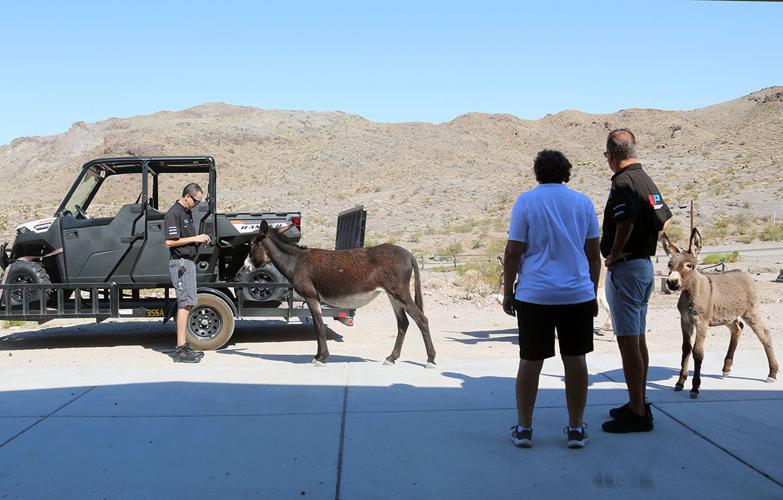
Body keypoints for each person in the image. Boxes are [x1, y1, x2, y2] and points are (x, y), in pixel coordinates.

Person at [502, 150, 601, 449]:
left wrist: (509, 291)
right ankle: (575, 429)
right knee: (575, 361)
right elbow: (593, 254)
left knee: (530, 361)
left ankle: (524, 429)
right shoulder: (583, 203)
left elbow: (513, 251)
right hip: (576, 295)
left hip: (535, 296)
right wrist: (592, 291)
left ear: (538, 173)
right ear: (566, 172)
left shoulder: (526, 202)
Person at [600, 129, 672, 433]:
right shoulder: (645, 180)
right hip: (644, 266)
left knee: (627, 342)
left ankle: (639, 413)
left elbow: (625, 219)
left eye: (606, 156)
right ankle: (636, 402)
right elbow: (664, 218)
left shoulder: (622, 182)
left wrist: (615, 255)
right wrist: (645, 237)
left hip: (628, 268)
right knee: (638, 338)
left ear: (612, 156)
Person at [164, 183, 211, 363]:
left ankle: (184, 346)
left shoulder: (187, 213)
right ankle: (180, 350)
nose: (197, 204)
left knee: (188, 303)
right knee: (184, 304)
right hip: (180, 263)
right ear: (187, 196)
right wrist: (195, 238)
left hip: (188, 262)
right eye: (196, 201)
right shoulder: (174, 213)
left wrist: (199, 241)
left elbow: (185, 240)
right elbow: (169, 242)